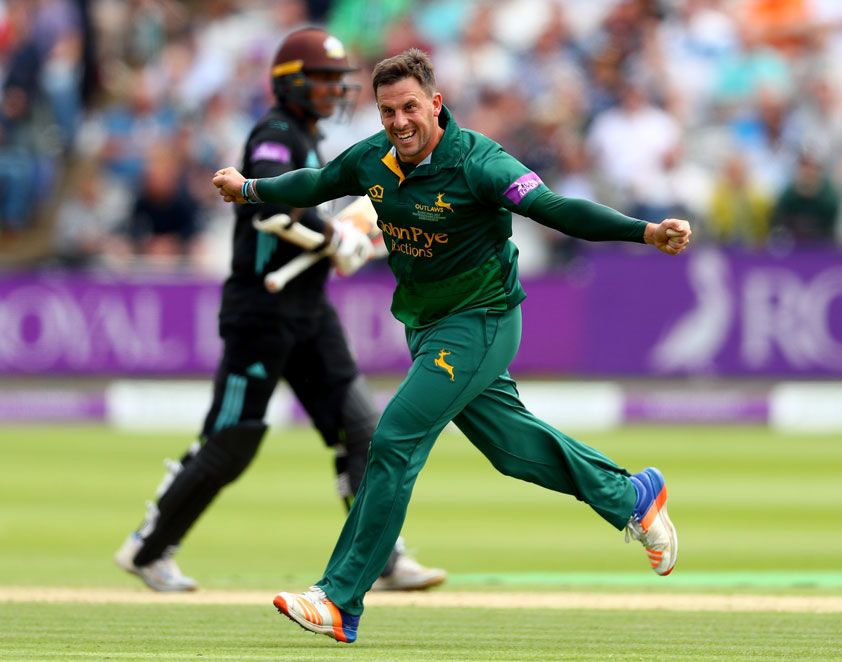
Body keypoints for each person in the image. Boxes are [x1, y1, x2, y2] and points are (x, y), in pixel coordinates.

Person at [213, 48, 691, 644]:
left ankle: (339, 598)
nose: (399, 122)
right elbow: (316, 183)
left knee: (394, 438)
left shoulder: (481, 163)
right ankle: (631, 495)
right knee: (512, 448)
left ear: (435, 104)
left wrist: (644, 231)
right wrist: (250, 188)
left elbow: (556, 209)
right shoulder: (373, 159)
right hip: (427, 326)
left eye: (410, 107)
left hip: (482, 321)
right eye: (388, 111)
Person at [115, 28, 446, 594]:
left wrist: (340, 238)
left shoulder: (307, 137)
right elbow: (268, 202)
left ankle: (382, 559)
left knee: (361, 429)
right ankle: (148, 549)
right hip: (261, 312)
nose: (334, 91)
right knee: (232, 440)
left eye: (337, 81)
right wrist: (333, 238)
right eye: (323, 80)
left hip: (308, 308)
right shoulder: (275, 134)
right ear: (291, 83)